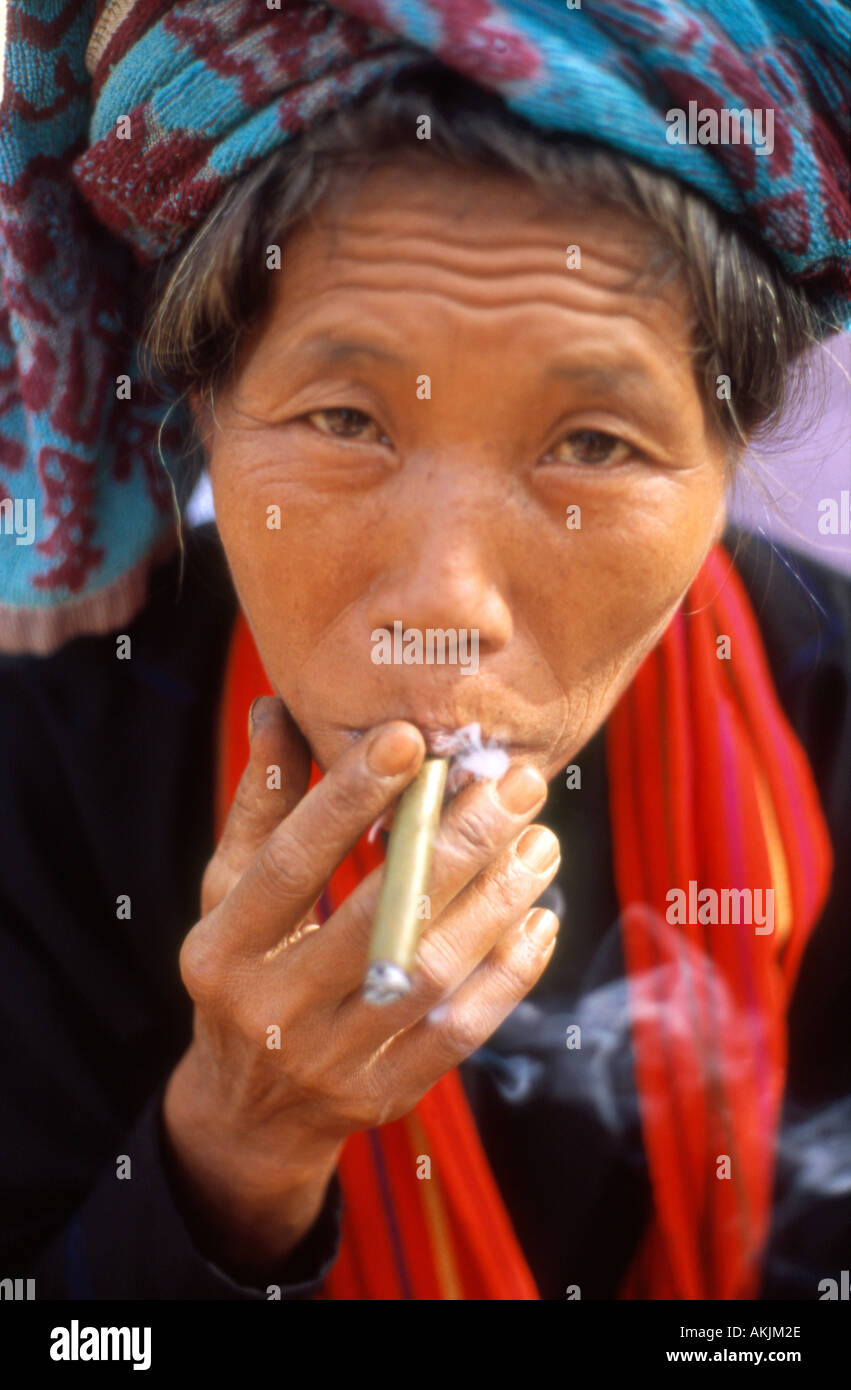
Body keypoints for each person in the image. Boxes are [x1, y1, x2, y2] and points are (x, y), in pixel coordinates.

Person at [0, 0, 849, 1301]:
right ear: (203, 410)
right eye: (345, 417)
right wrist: (232, 1148)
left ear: (728, 455)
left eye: (594, 445)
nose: (446, 602)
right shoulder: (47, 762)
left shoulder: (830, 719)